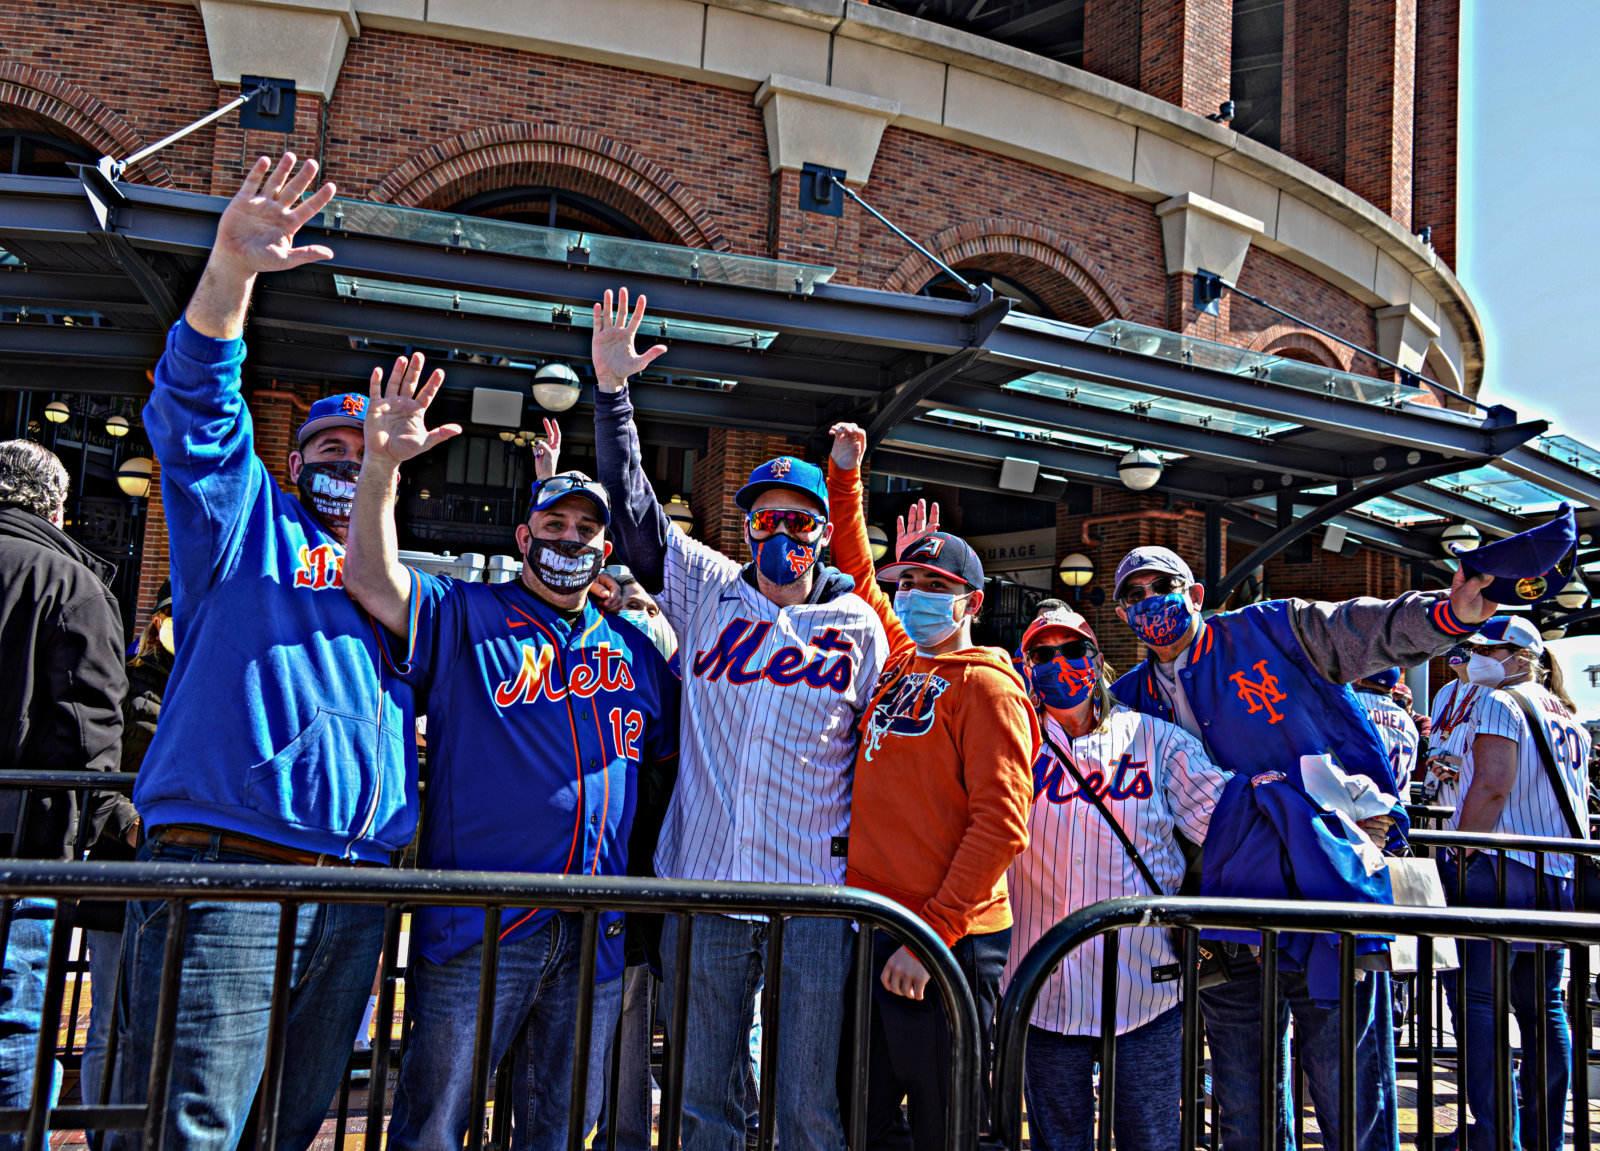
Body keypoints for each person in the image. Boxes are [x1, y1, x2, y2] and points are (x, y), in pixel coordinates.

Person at [111, 153, 421, 1151]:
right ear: (293, 467)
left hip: (352, 887)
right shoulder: (243, 524)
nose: (347, 465)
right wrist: (230, 274)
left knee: (287, 1126)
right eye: (330, 451)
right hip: (232, 872)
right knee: (192, 1126)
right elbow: (196, 416)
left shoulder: (401, 582)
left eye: (365, 454)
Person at [343, 359, 680, 1151]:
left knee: (564, 1126)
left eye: (586, 532)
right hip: (481, 921)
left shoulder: (632, 648)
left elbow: (683, 752)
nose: (571, 542)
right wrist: (382, 469)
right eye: (555, 528)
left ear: (606, 549)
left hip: (594, 927)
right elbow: (371, 578)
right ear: (523, 536)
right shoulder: (465, 612)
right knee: (434, 1123)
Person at [592, 288, 889, 1151]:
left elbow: (898, 735)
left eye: (801, 522)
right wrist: (614, 397)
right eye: (767, 518)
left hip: (812, 895)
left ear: (823, 534)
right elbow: (637, 512)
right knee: (700, 1096)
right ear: (747, 524)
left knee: (803, 1106)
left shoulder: (858, 624)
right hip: (708, 881)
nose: (782, 534)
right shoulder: (709, 588)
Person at [1107, 545, 1497, 1151]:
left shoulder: (1272, 628)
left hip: (1324, 895)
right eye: (1133, 594)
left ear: (1197, 594)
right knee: (1243, 1101)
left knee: (1351, 1090)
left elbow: (1366, 631)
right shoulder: (1128, 699)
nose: (1150, 601)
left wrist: (1448, 614)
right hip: (1220, 917)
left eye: (1164, 584)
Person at [826, 427, 1038, 1151]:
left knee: (946, 1125)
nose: (913, 595)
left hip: (942, 938)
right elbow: (858, 573)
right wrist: (847, 479)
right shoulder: (903, 658)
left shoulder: (986, 687)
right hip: (877, 926)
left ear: (971, 600)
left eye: (935, 587)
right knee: (865, 1115)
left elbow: (1002, 825)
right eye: (909, 583)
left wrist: (930, 937)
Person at [1006, 605, 1229, 1151]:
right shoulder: (1008, 743)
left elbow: (1224, 818)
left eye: (1073, 651)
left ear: (1099, 660)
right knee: (1057, 1140)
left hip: (1145, 979)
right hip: (1042, 979)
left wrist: (1315, 805)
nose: (1061, 664)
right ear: (1026, 666)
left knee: (1150, 1137)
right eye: (1044, 655)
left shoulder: (1155, 739)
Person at [0, 439, 128, 1131]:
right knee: (16, 1021)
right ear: (58, 505)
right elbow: (88, 729)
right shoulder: (70, 583)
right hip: (25, 843)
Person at [1449, 617, 1590, 1151]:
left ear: (1522, 655)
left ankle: (1493, 1138)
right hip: (1557, 871)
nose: (1478, 656)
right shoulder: (1565, 714)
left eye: (1491, 648)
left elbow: (1491, 786)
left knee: (1480, 1005)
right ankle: (1543, 1138)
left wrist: (1459, 849)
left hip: (1500, 868)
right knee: (1544, 1007)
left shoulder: (1499, 703)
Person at [80, 580, 174, 1103]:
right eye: (169, 613)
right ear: (156, 621)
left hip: (178, 874)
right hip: (123, 869)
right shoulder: (125, 681)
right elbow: (98, 772)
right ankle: (101, 1131)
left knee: (162, 1027)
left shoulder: (211, 686)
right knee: (109, 1025)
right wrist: (130, 822)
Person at [1426, 646, 1478, 809]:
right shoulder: (1444, 691)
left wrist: (1466, 767)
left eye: (1467, 644)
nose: (1456, 649)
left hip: (1472, 798)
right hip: (1437, 795)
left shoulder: (1495, 690)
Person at [1352, 668, 1421, 787]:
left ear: (1358, 679)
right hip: (1399, 802)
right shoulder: (1408, 720)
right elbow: (1409, 768)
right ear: (1393, 689)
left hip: (1357, 800)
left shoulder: (1347, 705)